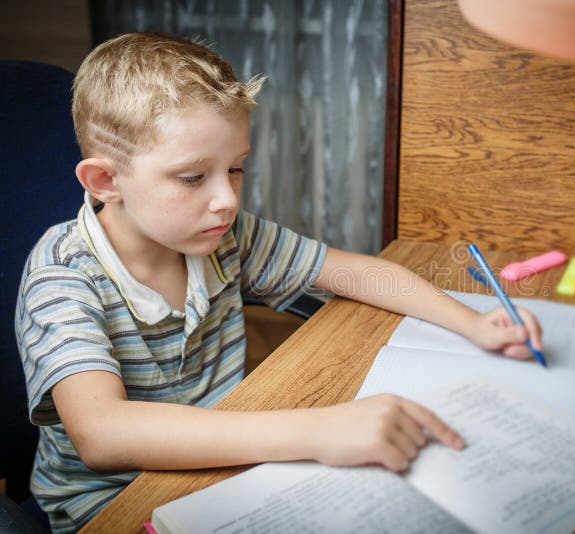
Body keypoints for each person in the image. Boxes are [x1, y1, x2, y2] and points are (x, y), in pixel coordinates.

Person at [15, 32, 543, 532]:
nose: (226, 198)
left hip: (224, 459)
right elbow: (102, 434)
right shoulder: (62, 274)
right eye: (194, 177)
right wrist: (317, 430)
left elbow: (356, 271)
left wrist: (473, 324)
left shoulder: (221, 235)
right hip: (113, 500)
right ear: (106, 181)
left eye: (236, 168)